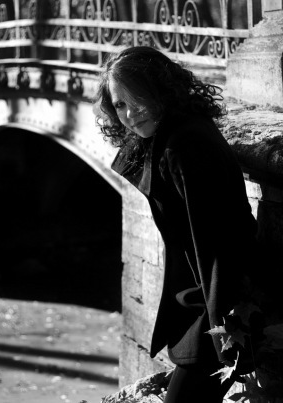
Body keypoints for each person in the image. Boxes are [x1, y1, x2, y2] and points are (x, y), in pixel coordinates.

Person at [95, 46, 259, 403]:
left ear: (161, 91)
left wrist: (224, 333)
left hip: (218, 311)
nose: (129, 114)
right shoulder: (173, 135)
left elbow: (216, 245)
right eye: (119, 104)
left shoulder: (184, 147)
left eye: (137, 98)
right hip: (204, 308)